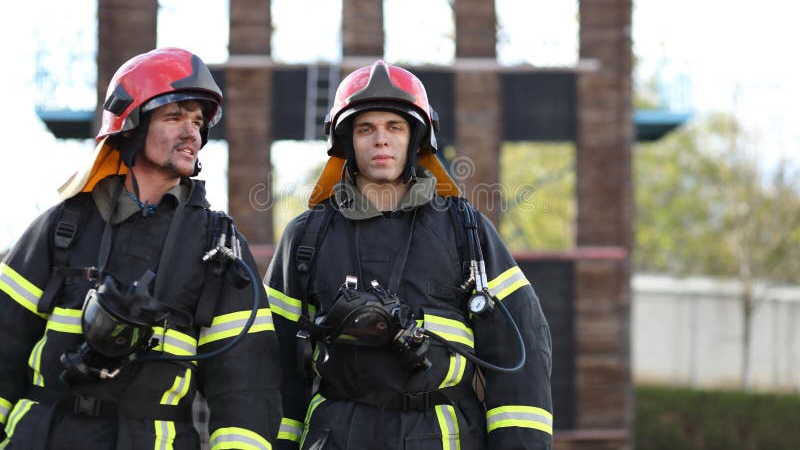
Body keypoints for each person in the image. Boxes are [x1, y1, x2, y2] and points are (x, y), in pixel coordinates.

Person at [0, 47, 281, 449]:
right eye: (174, 118)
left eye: (198, 122)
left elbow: (246, 386)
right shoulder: (62, 227)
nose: (192, 133)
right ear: (130, 125)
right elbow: (4, 348)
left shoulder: (218, 246)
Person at [266, 61, 553, 449]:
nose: (380, 140)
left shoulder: (465, 231)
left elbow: (523, 354)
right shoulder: (307, 237)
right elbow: (272, 362)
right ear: (347, 141)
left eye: (394, 127)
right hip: (338, 436)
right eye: (365, 128)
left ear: (416, 139)